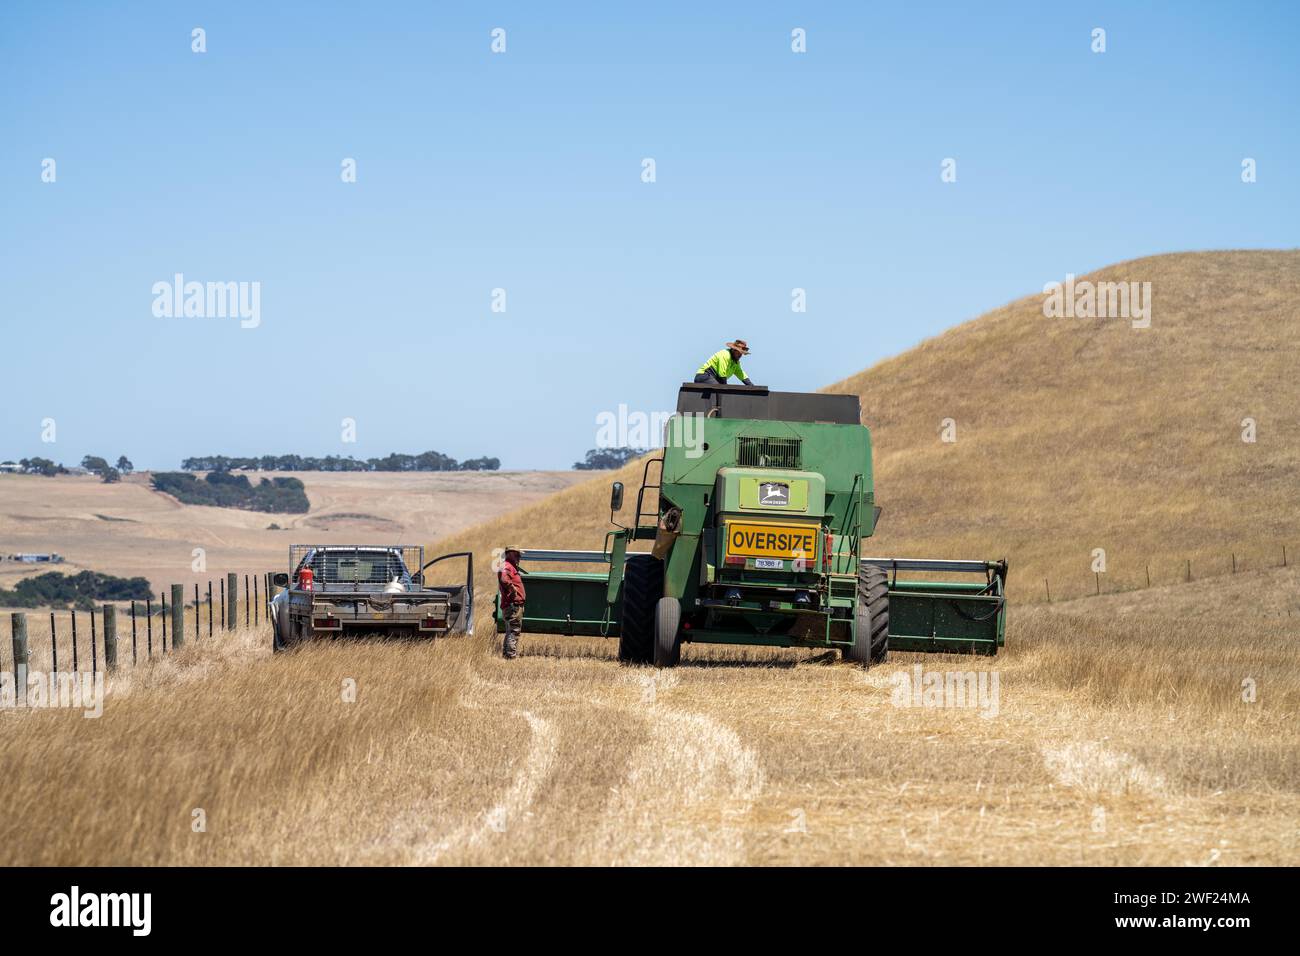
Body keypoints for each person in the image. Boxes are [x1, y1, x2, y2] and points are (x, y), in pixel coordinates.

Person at [498, 546, 526, 660]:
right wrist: (512, 589)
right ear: (510, 554)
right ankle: (510, 656)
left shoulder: (508, 566)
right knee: (514, 631)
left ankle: (506, 655)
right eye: (517, 554)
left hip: (511, 604)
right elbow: (504, 579)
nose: (519, 557)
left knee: (510, 631)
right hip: (513, 605)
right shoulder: (507, 566)